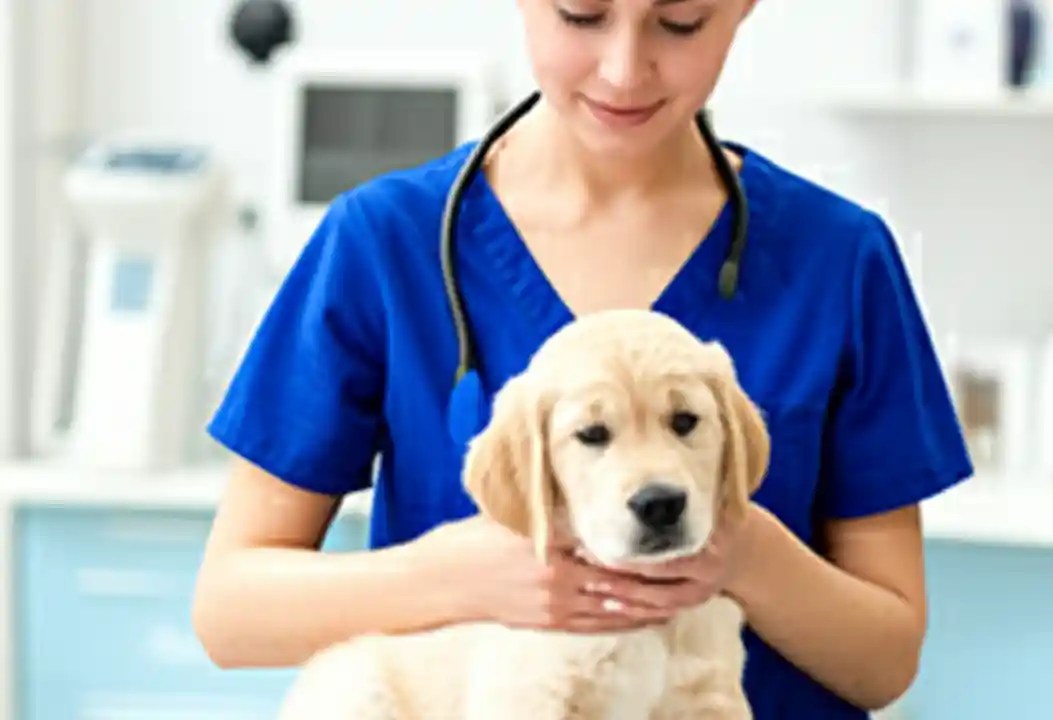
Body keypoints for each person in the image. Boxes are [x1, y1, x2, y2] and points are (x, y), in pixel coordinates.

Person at [191, 1, 975, 717]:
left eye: (681, 22)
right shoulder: (386, 242)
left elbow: (886, 661)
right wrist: (462, 577)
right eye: (581, 14)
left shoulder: (837, 258)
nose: (624, 69)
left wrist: (746, 556)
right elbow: (231, 612)